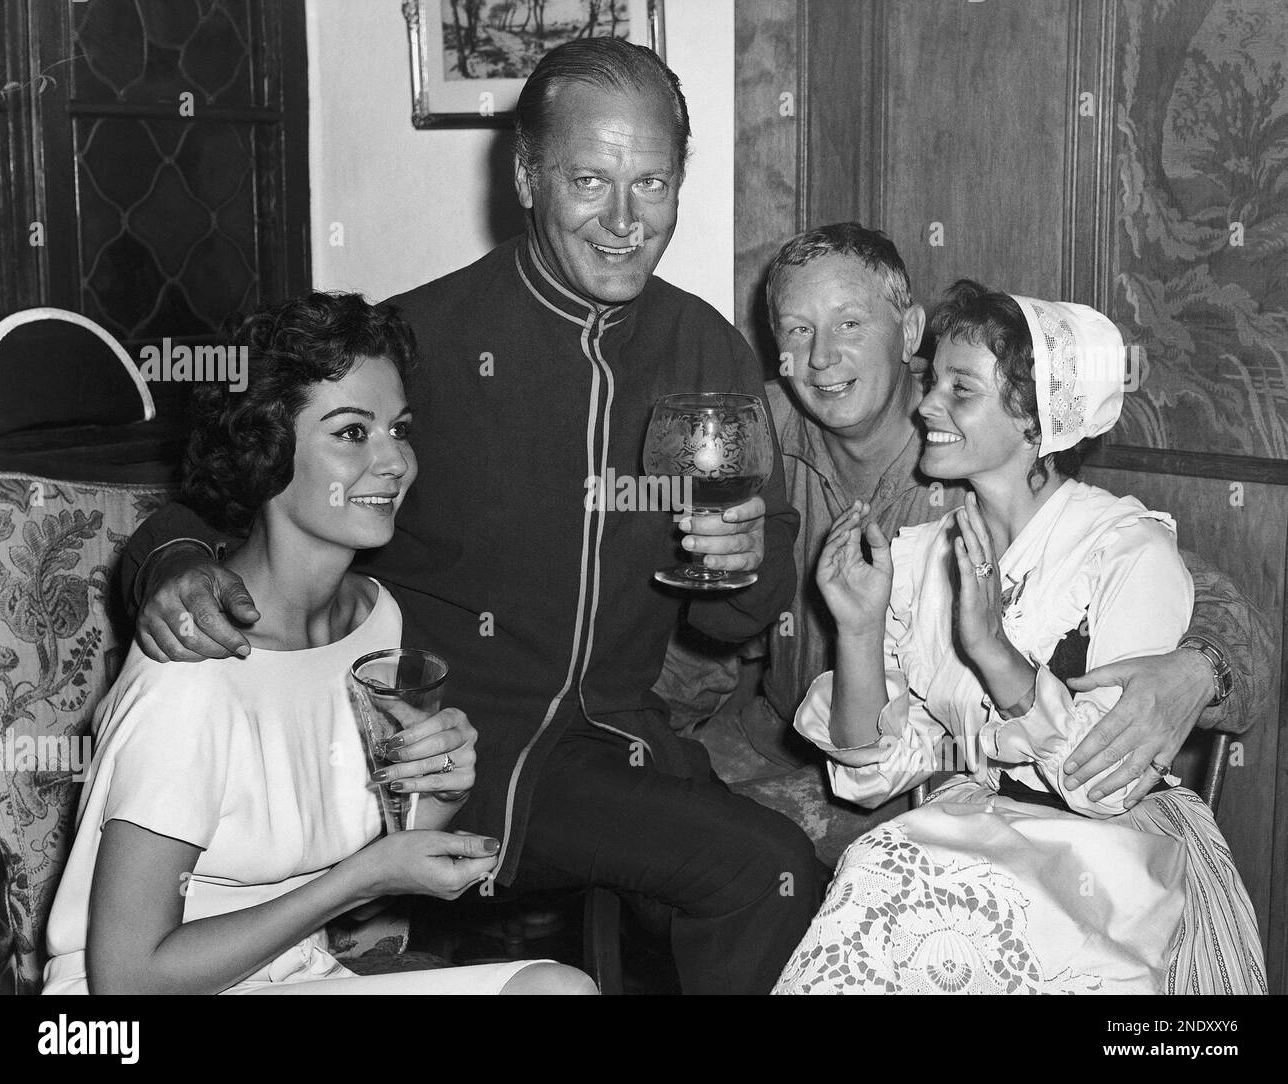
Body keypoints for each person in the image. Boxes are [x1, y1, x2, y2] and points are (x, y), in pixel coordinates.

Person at [116, 39, 822, 994]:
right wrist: (171, 567)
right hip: (446, 762)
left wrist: (743, 564)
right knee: (754, 871)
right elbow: (215, 491)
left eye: (651, 183)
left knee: (780, 881)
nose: (624, 221)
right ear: (528, 176)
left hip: (620, 744)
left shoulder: (707, 351)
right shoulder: (423, 340)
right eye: (588, 180)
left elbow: (731, 618)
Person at [658, 223, 1268, 864]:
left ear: (909, 332)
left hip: (940, 797)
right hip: (797, 747)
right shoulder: (753, 433)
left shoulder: (984, 440)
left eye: (850, 324)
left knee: (750, 874)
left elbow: (1206, 603)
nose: (821, 359)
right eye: (797, 329)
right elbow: (697, 624)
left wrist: (1199, 671)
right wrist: (642, 739)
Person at [43, 293, 594, 995]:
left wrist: (442, 786)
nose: (395, 460)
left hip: (297, 975)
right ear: (266, 453)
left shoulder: (376, 624)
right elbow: (128, 978)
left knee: (555, 989)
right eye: (353, 433)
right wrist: (354, 882)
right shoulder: (195, 670)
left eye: (400, 427)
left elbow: (358, 863)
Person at [772, 281, 1266, 994]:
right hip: (978, 829)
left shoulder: (1125, 552)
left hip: (1106, 858)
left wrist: (991, 647)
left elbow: (1102, 787)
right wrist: (857, 628)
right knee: (883, 862)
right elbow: (873, 773)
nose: (926, 405)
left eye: (959, 389)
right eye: (933, 380)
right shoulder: (920, 558)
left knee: (906, 880)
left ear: (1037, 420)